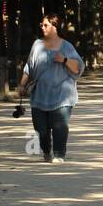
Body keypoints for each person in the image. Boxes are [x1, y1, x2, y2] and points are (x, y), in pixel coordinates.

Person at [17, 14, 85, 163]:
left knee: (60, 126)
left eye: (46, 25)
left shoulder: (67, 46)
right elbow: (29, 67)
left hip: (62, 94)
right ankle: (47, 151)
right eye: (41, 25)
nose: (42, 27)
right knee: (40, 128)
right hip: (40, 94)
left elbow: (78, 68)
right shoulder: (37, 45)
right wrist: (22, 84)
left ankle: (59, 154)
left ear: (55, 27)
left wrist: (65, 60)